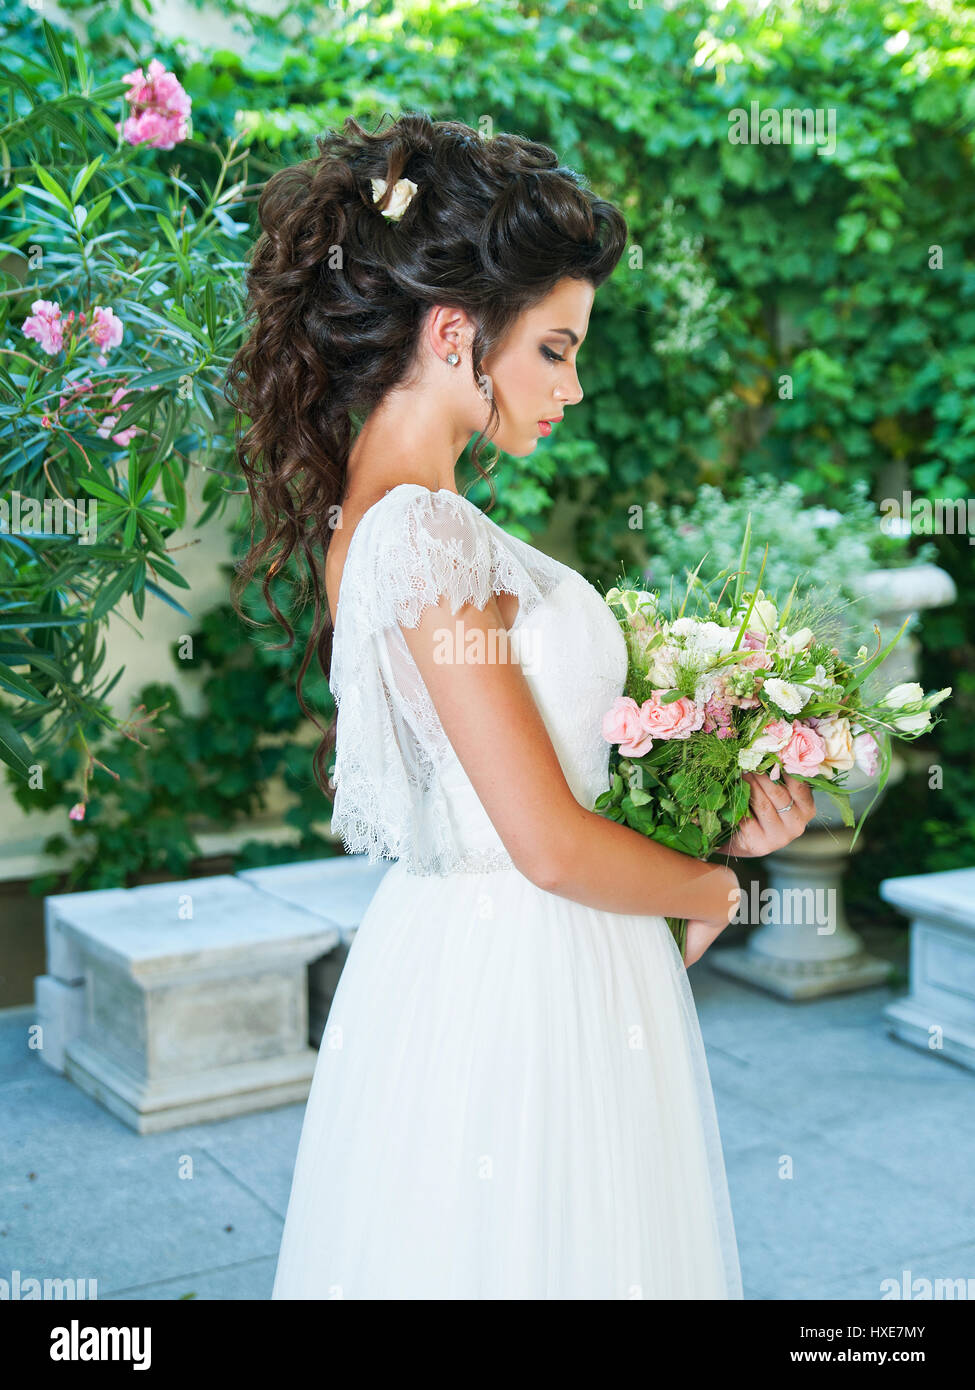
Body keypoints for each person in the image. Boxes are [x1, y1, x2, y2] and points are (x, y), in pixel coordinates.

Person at [226, 111, 815, 1300]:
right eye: (555, 348)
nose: (576, 387)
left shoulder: (385, 521)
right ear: (456, 333)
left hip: (494, 966)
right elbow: (543, 843)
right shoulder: (429, 537)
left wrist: (696, 833)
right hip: (515, 977)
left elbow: (515, 813)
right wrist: (723, 886)